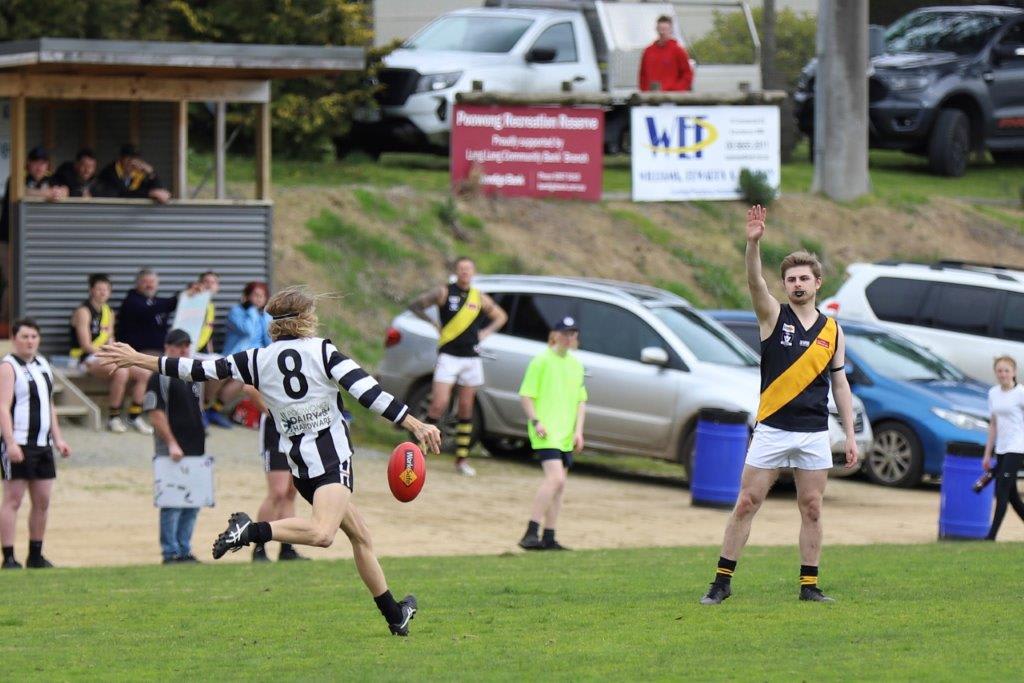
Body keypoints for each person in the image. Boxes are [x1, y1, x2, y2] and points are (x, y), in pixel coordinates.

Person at [96, 287, 442, 636]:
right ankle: (252, 531)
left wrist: (138, 358)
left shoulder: (256, 358)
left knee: (361, 537)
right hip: (331, 457)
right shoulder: (323, 351)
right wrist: (414, 423)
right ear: (307, 320)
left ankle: (394, 614)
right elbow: (368, 392)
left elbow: (198, 369)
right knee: (323, 534)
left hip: (300, 466)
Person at [700, 205, 858, 605]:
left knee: (813, 508)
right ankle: (721, 582)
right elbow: (754, 282)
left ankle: (809, 586)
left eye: (804, 278)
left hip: (813, 433)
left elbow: (839, 382)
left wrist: (851, 434)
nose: (798, 284)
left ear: (818, 282)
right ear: (785, 285)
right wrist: (753, 244)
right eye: (791, 279)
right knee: (747, 502)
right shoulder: (773, 316)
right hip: (772, 427)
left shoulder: (834, 331)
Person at [408, 257, 508, 476]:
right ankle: (418, 454)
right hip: (449, 356)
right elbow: (416, 305)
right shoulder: (444, 292)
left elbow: (501, 316)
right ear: (456, 272)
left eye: (469, 270)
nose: (465, 273)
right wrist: (434, 323)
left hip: (471, 358)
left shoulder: (478, 297)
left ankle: (461, 460)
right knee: (438, 404)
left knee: (466, 409)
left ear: (473, 273)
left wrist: (485, 333)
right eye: (462, 269)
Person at [0, 319, 72, 569]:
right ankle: (9, 556)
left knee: (42, 501)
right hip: (19, 441)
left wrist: (58, 438)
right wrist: (10, 442)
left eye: (34, 337)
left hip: (43, 444)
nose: (30, 341)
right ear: (15, 339)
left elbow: (49, 404)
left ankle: (36, 553)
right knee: (13, 500)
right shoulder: (9, 367)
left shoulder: (42, 364)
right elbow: (3, 406)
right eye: (25, 337)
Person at [517, 318, 587, 552]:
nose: (570, 338)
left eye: (573, 334)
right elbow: (526, 395)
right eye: (565, 333)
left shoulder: (576, 365)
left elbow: (581, 401)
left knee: (560, 486)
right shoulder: (541, 360)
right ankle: (531, 531)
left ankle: (549, 536)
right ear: (554, 335)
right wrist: (536, 421)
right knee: (555, 479)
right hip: (545, 432)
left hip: (566, 434)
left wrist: (578, 431)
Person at [144, 329, 206, 564]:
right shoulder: (159, 376)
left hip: (195, 447)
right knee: (172, 501)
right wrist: (171, 443)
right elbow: (156, 413)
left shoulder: (191, 374)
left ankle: (185, 548)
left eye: (187, 346)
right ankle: (171, 552)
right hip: (172, 449)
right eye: (179, 346)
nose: (184, 350)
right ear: (168, 347)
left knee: (193, 502)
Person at [69, 273, 151, 433]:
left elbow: (110, 339)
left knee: (144, 373)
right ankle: (113, 418)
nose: (103, 292)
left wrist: (116, 353)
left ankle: (135, 416)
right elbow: (86, 345)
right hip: (84, 358)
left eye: (106, 289)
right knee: (120, 372)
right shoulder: (83, 311)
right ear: (91, 290)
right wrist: (111, 356)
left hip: (104, 356)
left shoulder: (109, 312)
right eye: (99, 289)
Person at [0, 147, 68, 324]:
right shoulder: (16, 179)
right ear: (28, 163)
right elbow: (20, 191)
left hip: (39, 242)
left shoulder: (52, 179)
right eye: (36, 162)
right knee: (12, 281)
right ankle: (6, 322)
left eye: (43, 163)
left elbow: (66, 190)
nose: (39, 167)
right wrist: (47, 194)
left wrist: (60, 193)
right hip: (9, 240)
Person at [245, 386, 308, 562]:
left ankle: (287, 547)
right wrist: (271, 412)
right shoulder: (265, 360)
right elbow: (249, 388)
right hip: (275, 434)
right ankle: (259, 546)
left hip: (298, 432)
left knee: (290, 492)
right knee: (277, 492)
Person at [205, 281, 272, 428]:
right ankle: (203, 410)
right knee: (220, 376)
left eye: (263, 296)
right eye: (256, 295)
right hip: (233, 355)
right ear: (247, 296)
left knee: (241, 382)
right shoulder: (237, 312)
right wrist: (252, 311)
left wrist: (265, 317)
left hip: (253, 359)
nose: (259, 299)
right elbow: (247, 330)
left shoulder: (265, 316)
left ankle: (213, 411)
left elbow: (269, 340)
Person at [982, 355, 1024, 540]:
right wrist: (987, 453)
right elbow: (993, 424)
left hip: (1017, 446)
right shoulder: (993, 393)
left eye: (1006, 370)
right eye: (999, 371)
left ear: (1014, 372)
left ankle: (991, 536)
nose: (1003, 374)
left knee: (1002, 489)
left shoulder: (1021, 393)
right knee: (1013, 496)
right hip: (1002, 447)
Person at [96, 143, 171, 204]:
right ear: (120, 159)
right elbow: (121, 194)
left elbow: (158, 191)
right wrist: (148, 193)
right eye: (128, 158)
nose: (132, 162)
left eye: (135, 159)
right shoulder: (109, 172)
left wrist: (151, 173)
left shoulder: (139, 173)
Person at [638, 15, 694, 92]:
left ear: (671, 30)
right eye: (660, 29)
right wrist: (644, 90)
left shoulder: (678, 51)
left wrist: (676, 90)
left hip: (671, 97)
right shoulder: (648, 51)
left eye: (665, 29)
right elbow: (642, 74)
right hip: (651, 97)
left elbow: (687, 74)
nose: (662, 32)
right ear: (656, 29)